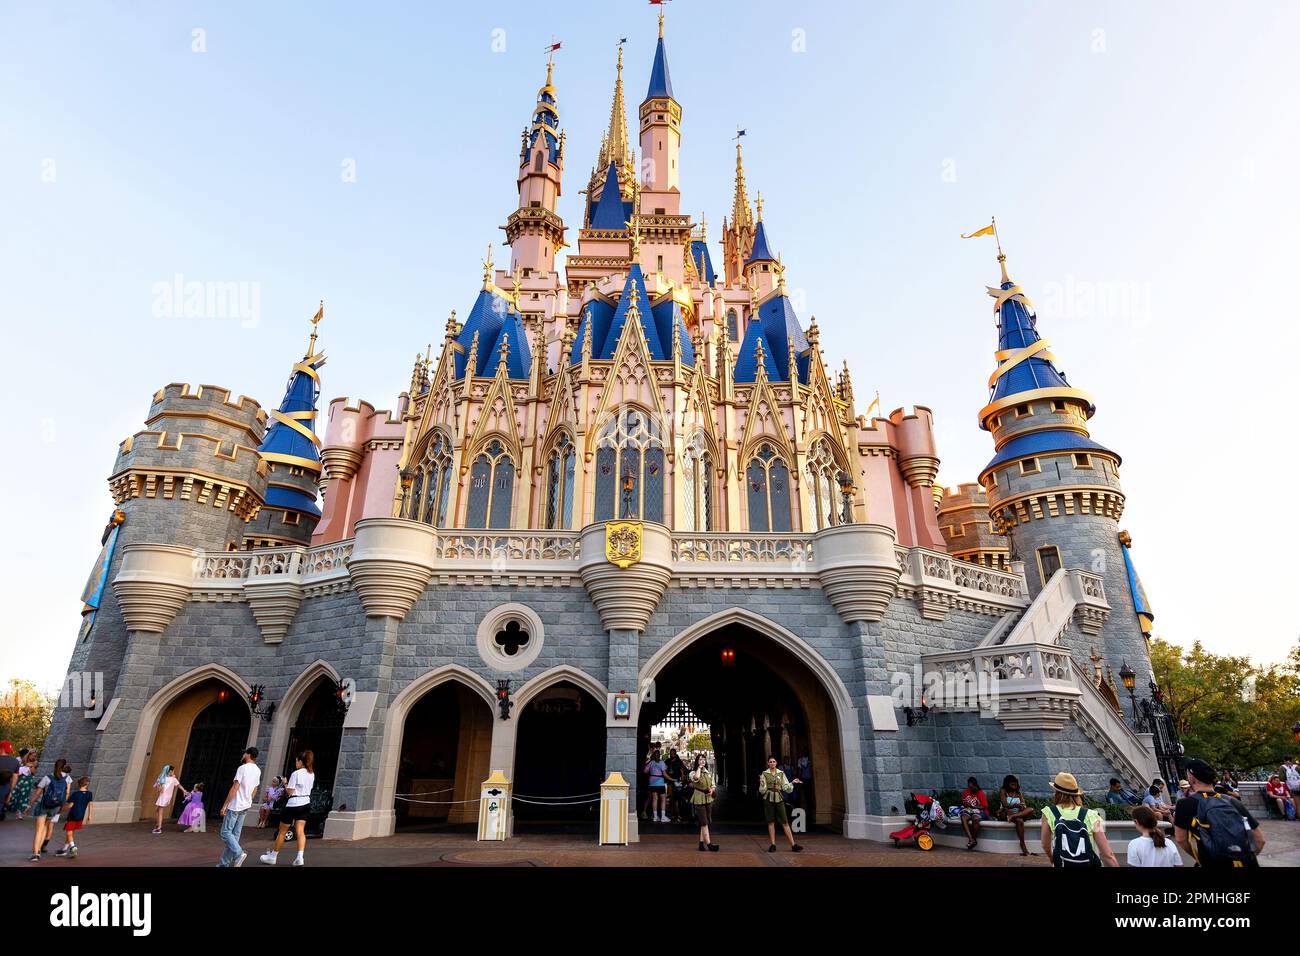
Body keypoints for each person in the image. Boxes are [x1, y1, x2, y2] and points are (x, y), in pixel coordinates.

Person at [1173, 758, 1264, 868]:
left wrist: (1198, 858)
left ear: (1191, 778)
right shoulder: (1232, 801)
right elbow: (1260, 839)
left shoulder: (1184, 805)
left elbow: (1181, 839)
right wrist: (1246, 857)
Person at [1040, 771, 1117, 867]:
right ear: (1076, 794)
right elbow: (1107, 855)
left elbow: (1045, 845)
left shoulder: (1049, 813)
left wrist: (1053, 859)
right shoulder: (1092, 815)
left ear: (1057, 792)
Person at [261, 750, 315, 866]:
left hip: (293, 804)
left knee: (282, 831)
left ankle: (273, 856)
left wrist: (285, 784)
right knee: (300, 831)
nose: (296, 763)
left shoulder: (296, 773)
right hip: (305, 803)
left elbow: (290, 792)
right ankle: (300, 857)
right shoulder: (311, 774)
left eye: (297, 761)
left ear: (301, 761)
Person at [217, 747, 261, 868]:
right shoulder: (257, 770)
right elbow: (255, 789)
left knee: (225, 833)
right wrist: (249, 800)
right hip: (245, 805)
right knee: (234, 836)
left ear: (248, 755)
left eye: (244, 753)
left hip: (236, 805)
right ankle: (224, 864)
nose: (243, 755)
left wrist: (225, 805)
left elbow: (235, 787)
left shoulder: (242, 768)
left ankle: (239, 853)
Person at [27, 757, 72, 863]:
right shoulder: (67, 778)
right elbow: (67, 793)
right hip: (56, 806)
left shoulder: (48, 777)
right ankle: (38, 851)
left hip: (44, 805)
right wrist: (62, 805)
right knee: (46, 826)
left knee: (39, 830)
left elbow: (38, 792)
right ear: (64, 766)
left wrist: (29, 804)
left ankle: (35, 853)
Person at [758, 755, 802, 853]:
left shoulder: (781, 773)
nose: (772, 763)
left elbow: (786, 787)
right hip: (768, 798)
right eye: (770, 761)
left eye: (774, 761)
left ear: (776, 763)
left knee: (785, 821)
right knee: (771, 821)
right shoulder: (764, 774)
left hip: (778, 797)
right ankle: (773, 844)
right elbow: (762, 790)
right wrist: (761, 784)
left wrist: (792, 783)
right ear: (768, 763)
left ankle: (793, 845)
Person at [996, 774, 1036, 856]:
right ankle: (1023, 845)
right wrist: (1015, 805)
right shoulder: (1003, 791)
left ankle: (1013, 817)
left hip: (1016, 814)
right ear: (1007, 784)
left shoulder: (1019, 793)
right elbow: (1005, 804)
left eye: (1015, 783)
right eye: (1012, 784)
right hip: (1006, 813)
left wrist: (1022, 807)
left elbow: (1024, 805)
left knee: (1030, 810)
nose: (1014, 785)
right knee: (1018, 820)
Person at [55, 777, 94, 859]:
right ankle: (64, 849)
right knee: (71, 832)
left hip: (73, 815)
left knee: (69, 832)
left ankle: (73, 847)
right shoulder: (89, 794)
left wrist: (61, 810)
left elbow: (70, 805)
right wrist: (89, 816)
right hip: (81, 816)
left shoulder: (75, 794)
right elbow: (90, 805)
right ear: (86, 784)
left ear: (79, 784)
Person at [688, 752, 718, 852]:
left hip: (708, 798)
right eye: (700, 760)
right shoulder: (693, 772)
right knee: (704, 822)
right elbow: (696, 778)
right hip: (699, 798)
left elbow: (713, 784)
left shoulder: (708, 773)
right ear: (697, 761)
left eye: (704, 760)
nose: (702, 761)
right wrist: (699, 768)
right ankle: (709, 844)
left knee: (705, 821)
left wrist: (712, 790)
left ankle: (701, 844)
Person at [151, 765, 188, 834]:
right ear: (170, 771)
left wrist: (184, 790)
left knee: (160, 811)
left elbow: (178, 785)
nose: (174, 772)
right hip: (164, 796)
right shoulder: (167, 778)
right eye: (173, 771)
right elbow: (178, 785)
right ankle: (158, 824)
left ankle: (159, 827)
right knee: (157, 810)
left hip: (164, 796)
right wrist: (184, 790)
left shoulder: (170, 778)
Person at [959, 776, 989, 850]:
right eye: (969, 787)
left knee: (975, 818)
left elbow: (984, 807)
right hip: (970, 810)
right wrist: (966, 804)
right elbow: (964, 803)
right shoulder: (967, 792)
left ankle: (974, 839)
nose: (970, 789)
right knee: (963, 817)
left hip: (981, 811)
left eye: (972, 787)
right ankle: (971, 839)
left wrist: (974, 807)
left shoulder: (981, 793)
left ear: (976, 786)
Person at [6, 750, 37, 820]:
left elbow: (34, 772)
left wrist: (32, 766)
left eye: (35, 756)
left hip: (28, 780)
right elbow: (17, 770)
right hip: (20, 779)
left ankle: (19, 812)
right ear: (29, 755)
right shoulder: (22, 761)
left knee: (24, 796)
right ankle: (6, 807)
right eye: (33, 755)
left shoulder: (35, 763)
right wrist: (26, 765)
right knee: (14, 793)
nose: (34, 757)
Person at [643, 748, 668, 824]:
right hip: (660, 782)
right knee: (663, 799)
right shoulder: (662, 763)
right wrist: (673, 779)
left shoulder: (651, 762)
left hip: (652, 783)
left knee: (654, 799)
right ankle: (663, 817)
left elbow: (645, 771)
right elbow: (664, 774)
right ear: (659, 755)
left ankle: (655, 817)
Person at [0, 740, 19, 821]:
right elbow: (15, 778)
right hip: (5, 787)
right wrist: (10, 791)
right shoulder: (15, 761)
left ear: (1, 748)